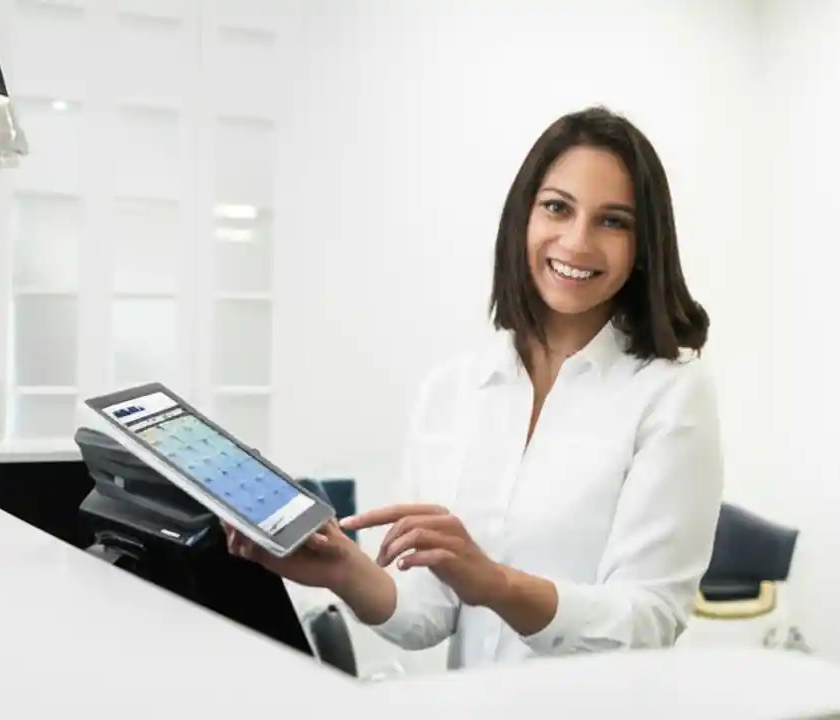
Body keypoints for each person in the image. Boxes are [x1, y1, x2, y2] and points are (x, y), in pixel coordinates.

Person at [226, 106, 724, 670]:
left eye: (614, 221)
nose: (578, 241)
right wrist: (341, 567)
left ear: (642, 249)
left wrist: (495, 583)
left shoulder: (670, 394)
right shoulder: (453, 390)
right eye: (557, 207)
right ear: (523, 219)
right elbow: (427, 616)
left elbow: (648, 622)